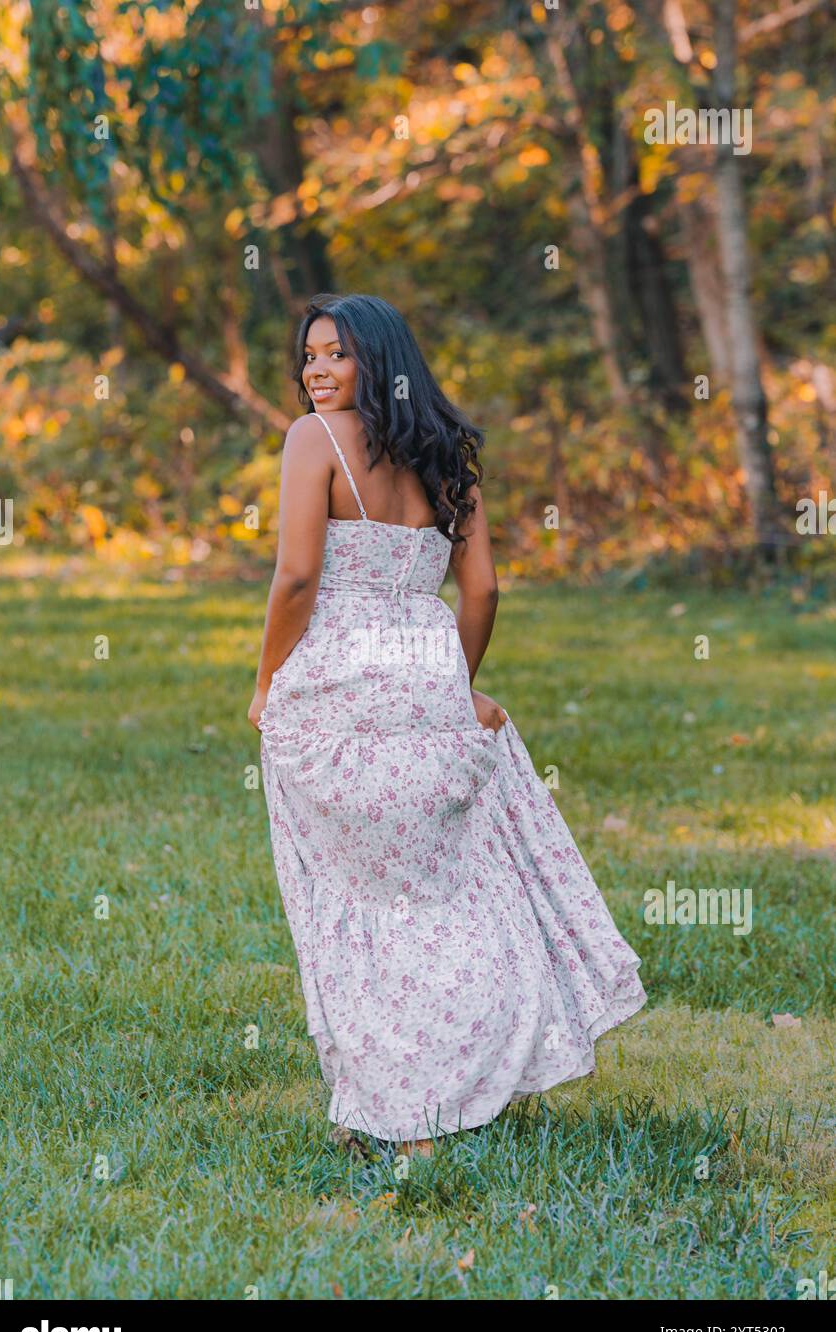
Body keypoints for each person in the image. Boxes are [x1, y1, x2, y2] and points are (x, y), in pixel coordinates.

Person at [249, 292, 645, 1158]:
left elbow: (296, 578)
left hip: (339, 684)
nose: (316, 371)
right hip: (428, 673)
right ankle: (466, 1080)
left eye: (335, 355)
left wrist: (267, 680)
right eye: (309, 356)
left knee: (354, 900)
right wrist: (447, 689)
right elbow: (483, 591)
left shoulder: (312, 442)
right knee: (446, 895)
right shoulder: (449, 454)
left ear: (375, 359)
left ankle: (397, 1109)